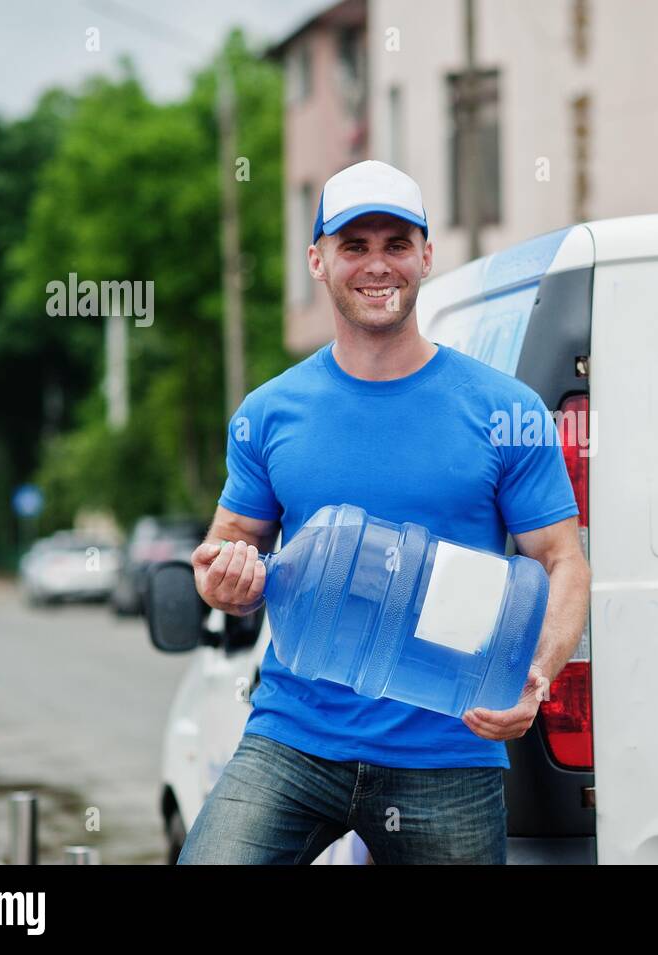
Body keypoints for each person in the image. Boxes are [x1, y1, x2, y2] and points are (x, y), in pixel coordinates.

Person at [177, 160, 591, 864]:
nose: (378, 264)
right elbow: (223, 552)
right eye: (355, 245)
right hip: (294, 736)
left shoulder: (503, 411)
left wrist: (539, 672)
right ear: (318, 259)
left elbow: (562, 560)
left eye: (397, 243)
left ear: (427, 256)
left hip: (448, 748)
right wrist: (222, 579)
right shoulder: (270, 414)